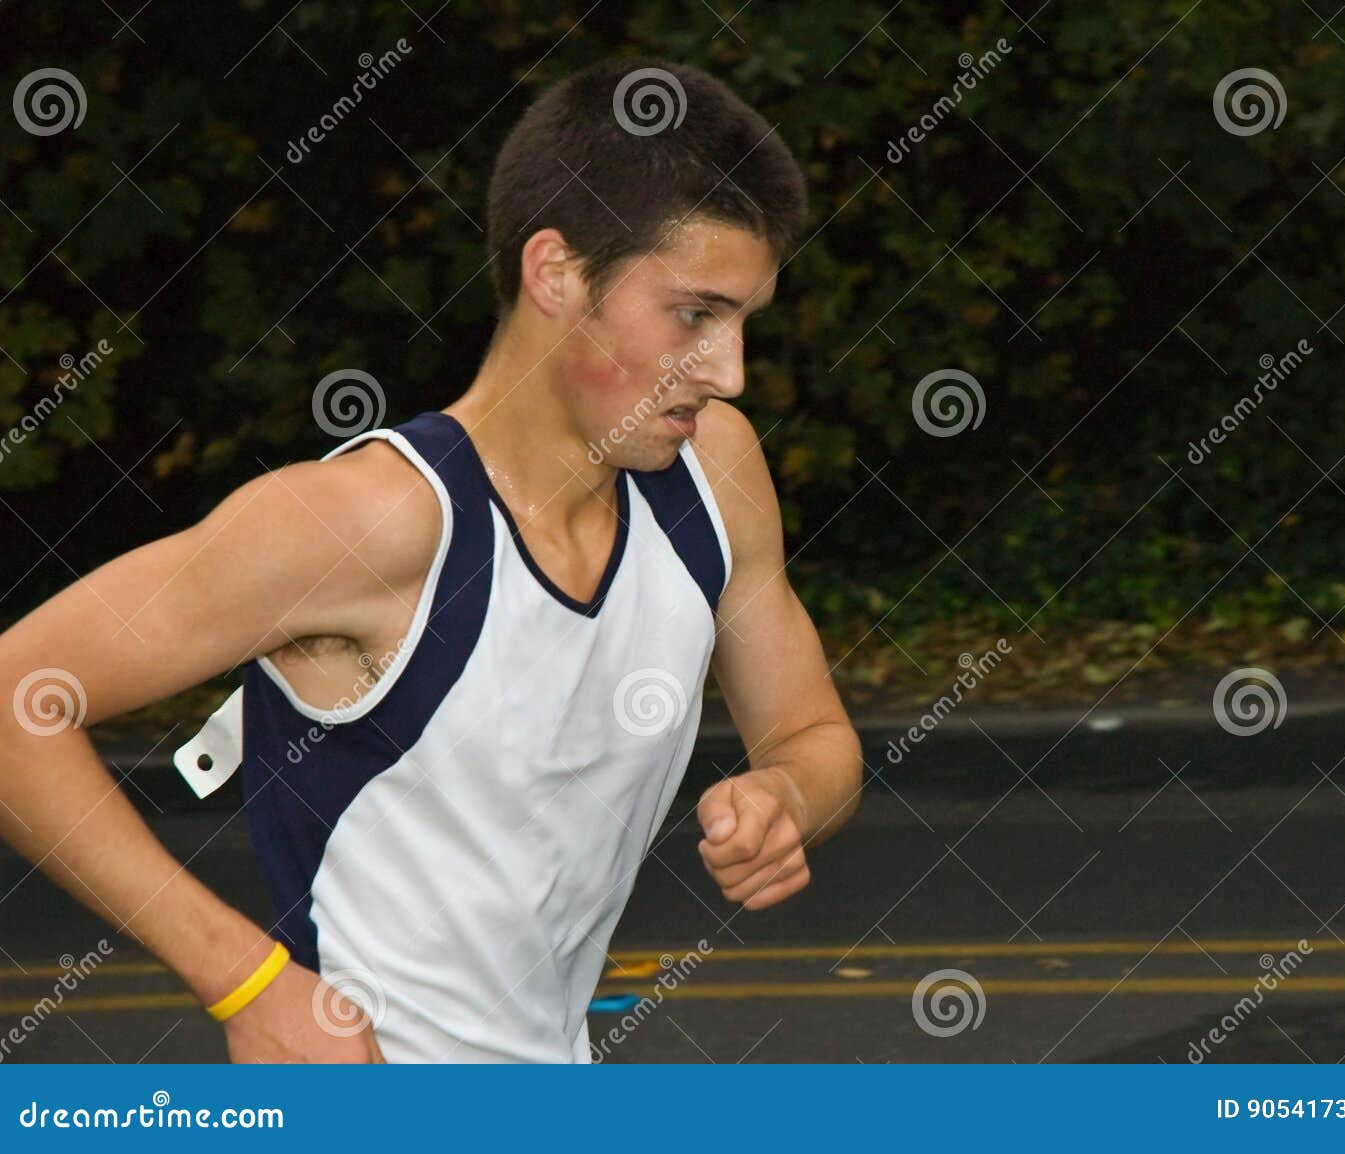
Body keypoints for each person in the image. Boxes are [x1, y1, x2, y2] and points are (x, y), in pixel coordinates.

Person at [0, 56, 862, 1062]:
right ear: (556, 274)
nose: (730, 371)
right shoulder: (372, 524)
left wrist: (788, 796)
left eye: (744, 320)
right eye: (695, 314)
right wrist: (245, 984)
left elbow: (811, 733)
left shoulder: (712, 476)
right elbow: (18, 700)